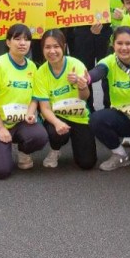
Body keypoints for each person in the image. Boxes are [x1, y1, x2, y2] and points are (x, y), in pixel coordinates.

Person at [82, 25, 130, 173]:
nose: (123, 48)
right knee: (96, 119)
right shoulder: (109, 61)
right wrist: (87, 78)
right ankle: (120, 155)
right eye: (119, 43)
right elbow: (98, 71)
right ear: (113, 44)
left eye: (128, 44)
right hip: (123, 117)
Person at [0, 23, 48, 178]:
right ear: (8, 42)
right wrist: (1, 128)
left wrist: (30, 114)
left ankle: (23, 151)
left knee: (40, 136)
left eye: (26, 39)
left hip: (20, 122)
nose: (22, 43)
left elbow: (34, 97)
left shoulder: (32, 66)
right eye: (17, 39)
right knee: (1, 171)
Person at [33, 29, 96, 170]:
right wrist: (57, 123)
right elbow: (44, 108)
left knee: (87, 163)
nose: (52, 51)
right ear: (42, 49)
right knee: (56, 133)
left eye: (56, 46)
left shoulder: (76, 64)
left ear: (64, 47)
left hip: (79, 116)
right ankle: (55, 149)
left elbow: (84, 97)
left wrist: (82, 86)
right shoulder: (40, 73)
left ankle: (77, 138)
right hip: (57, 116)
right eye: (47, 47)